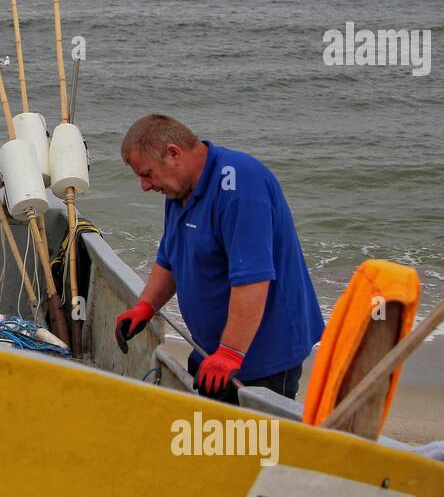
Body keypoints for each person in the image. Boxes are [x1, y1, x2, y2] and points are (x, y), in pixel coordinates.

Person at [114, 115, 324, 402]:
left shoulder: (240, 187)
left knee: (250, 445)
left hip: (261, 357)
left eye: (147, 174)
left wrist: (230, 352)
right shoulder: (179, 190)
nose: (145, 186)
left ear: (173, 154)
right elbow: (171, 256)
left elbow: (252, 279)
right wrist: (145, 306)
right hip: (210, 351)